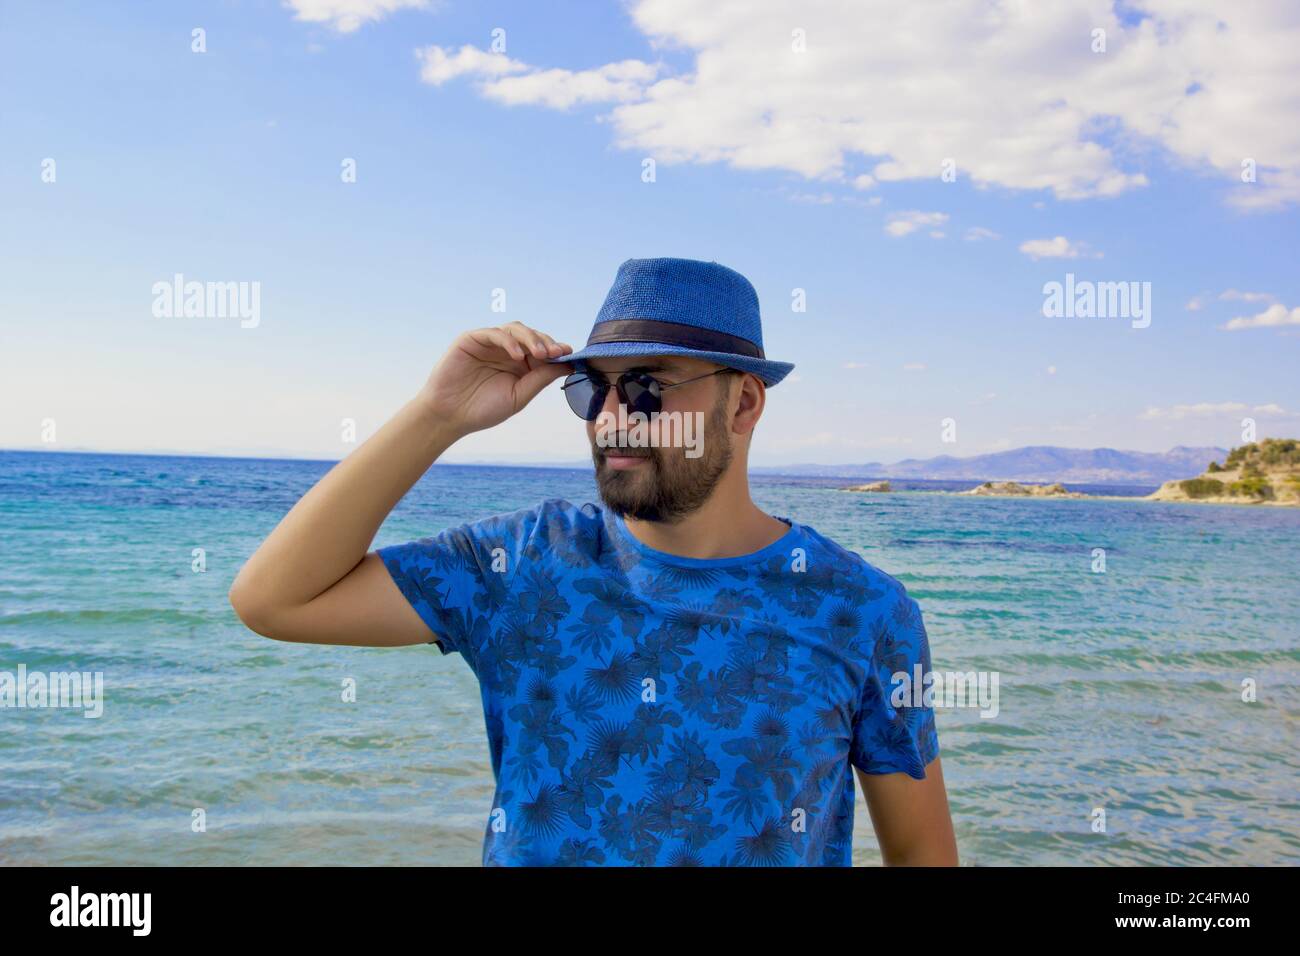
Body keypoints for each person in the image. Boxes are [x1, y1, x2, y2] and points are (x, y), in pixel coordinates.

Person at [230, 257, 958, 866]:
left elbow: (923, 855)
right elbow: (274, 599)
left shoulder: (864, 612)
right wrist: (438, 415)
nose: (612, 417)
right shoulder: (523, 564)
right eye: (592, 388)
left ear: (743, 405)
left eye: (646, 386)